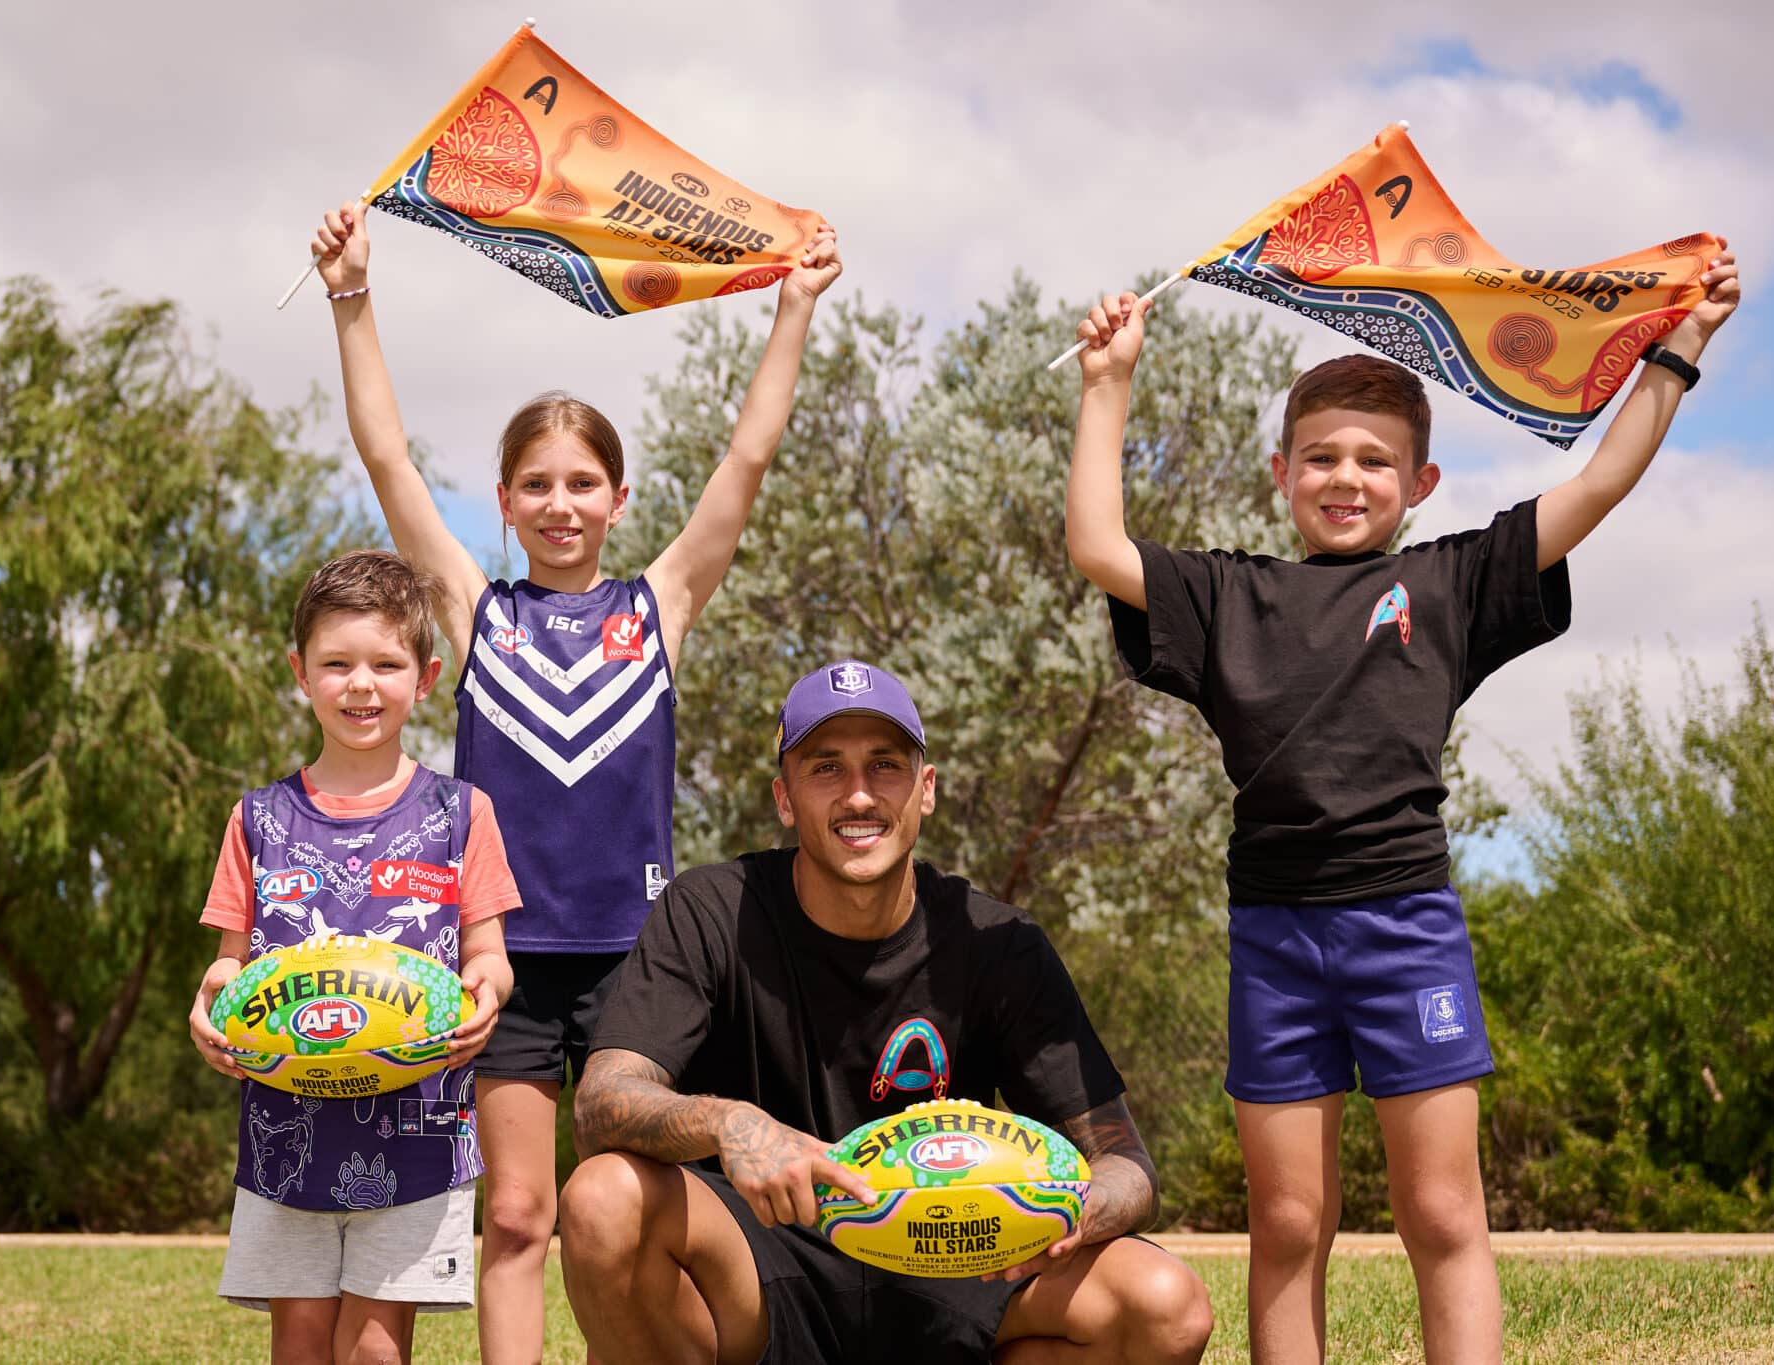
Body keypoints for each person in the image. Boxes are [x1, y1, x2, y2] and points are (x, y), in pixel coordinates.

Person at [1063, 248, 1741, 1361]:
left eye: (1374, 462)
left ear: (1417, 485)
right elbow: (1097, 545)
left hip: (1404, 933)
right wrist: (1107, 382)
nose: (1346, 477)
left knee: (1440, 1216)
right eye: (1320, 457)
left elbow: (1600, 484)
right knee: (1285, 1222)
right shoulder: (1229, 595)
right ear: (1279, 471)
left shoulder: (1448, 582)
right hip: (1273, 942)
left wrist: (1678, 349)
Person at [307, 202, 841, 1363]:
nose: (559, 504)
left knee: (624, 1206)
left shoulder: (660, 607)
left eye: (582, 483)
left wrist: (792, 307)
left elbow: (746, 459)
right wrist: (353, 295)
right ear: (502, 503)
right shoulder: (470, 609)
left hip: (634, 961)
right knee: (515, 1214)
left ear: (617, 500)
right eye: (535, 485)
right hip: (500, 953)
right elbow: (388, 456)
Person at [559, 659, 1214, 1364]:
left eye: (886, 764)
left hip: (953, 1249)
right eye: (826, 768)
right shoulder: (711, 909)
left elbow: (1128, 1164)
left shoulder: (998, 942)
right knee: (602, 1199)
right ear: (785, 797)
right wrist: (731, 1122)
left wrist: (1060, 1215)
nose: (860, 795)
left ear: (925, 789)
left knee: (1164, 1305)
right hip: (768, 1255)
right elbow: (601, 1102)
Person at [187, 549, 518, 1364]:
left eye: (385, 663)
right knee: (299, 1340)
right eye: (336, 663)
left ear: (427, 674)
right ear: (299, 672)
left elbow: (491, 956)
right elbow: (230, 965)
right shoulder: (257, 817)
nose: (361, 684)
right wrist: (209, 1006)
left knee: (375, 1347)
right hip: (284, 1126)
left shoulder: (461, 814)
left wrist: (486, 992)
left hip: (418, 1129)